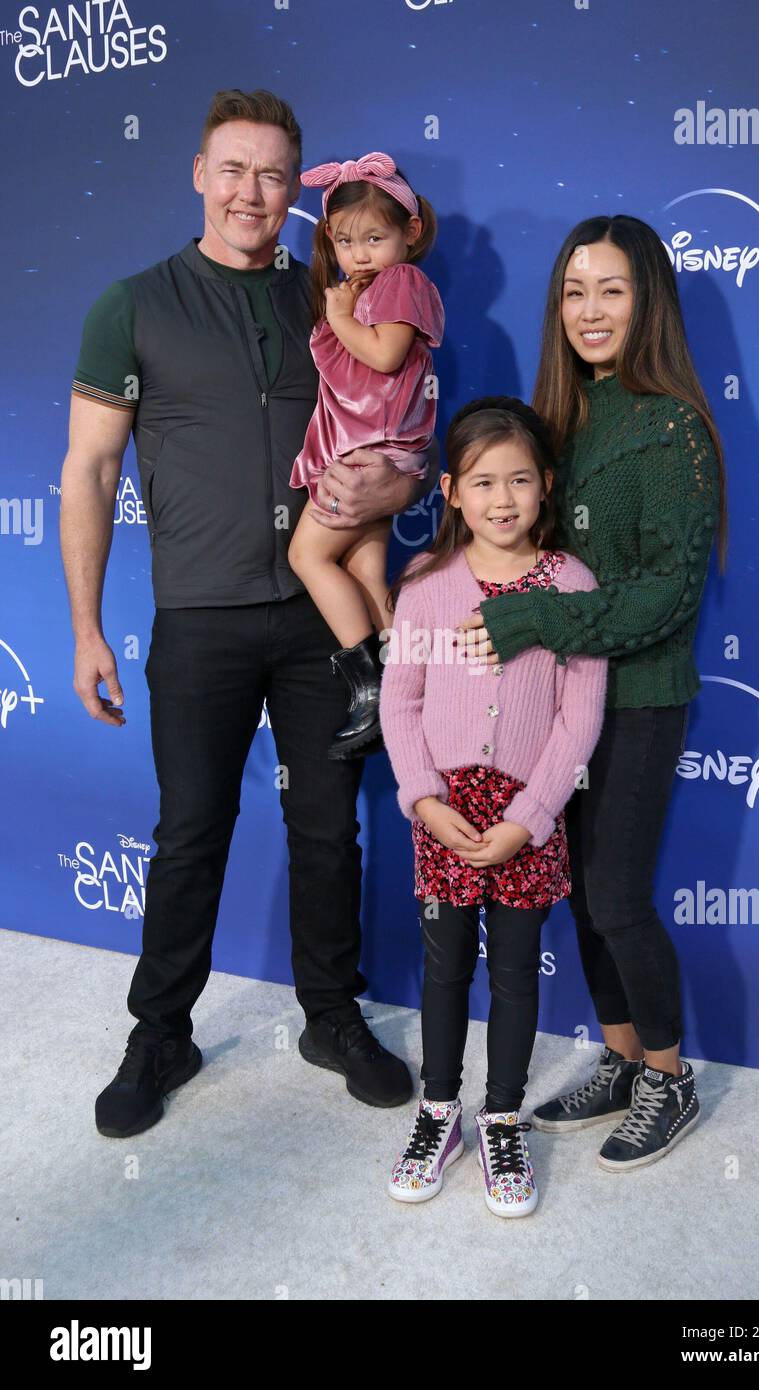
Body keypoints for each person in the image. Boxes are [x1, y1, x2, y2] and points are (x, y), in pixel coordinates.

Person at [60, 89, 438, 1140]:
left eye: (274, 175)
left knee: (328, 831)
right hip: (200, 617)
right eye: (234, 169)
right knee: (191, 832)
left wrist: (399, 496)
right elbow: (89, 471)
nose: (252, 193)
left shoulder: (334, 293)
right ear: (197, 173)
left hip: (322, 622)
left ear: (295, 190)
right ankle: (159, 1033)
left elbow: (402, 448)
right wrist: (88, 625)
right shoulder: (132, 303)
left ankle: (331, 1015)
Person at [455, 216, 727, 1172]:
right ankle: (618, 1059)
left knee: (616, 898)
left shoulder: (673, 425)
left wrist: (533, 624)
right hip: (561, 704)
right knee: (582, 899)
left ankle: (669, 1076)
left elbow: (666, 594)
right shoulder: (564, 415)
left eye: (610, 289)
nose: (590, 310)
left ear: (647, 299)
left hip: (641, 697)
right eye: (574, 292)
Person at [379, 398, 608, 1216]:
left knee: (514, 973)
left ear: (547, 486)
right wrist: (422, 800)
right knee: (444, 970)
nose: (502, 498)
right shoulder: (425, 586)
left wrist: (533, 815)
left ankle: (501, 1114)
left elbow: (580, 715)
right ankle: (439, 1109)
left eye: (519, 480)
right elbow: (398, 704)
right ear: (451, 490)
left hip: (524, 818)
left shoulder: (572, 586)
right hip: (443, 811)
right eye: (483, 482)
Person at [288, 152, 444, 759]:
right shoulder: (372, 284)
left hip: (367, 455)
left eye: (375, 238)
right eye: (347, 240)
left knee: (306, 554)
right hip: (375, 452)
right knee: (364, 572)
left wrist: (338, 314)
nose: (359, 254)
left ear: (411, 232)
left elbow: (382, 356)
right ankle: (412, 688)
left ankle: (369, 689)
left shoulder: (400, 282)